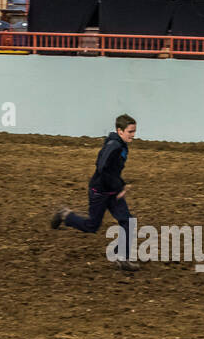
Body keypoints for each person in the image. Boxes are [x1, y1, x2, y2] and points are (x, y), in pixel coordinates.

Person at [50, 114, 140, 272]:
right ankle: (65, 215)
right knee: (92, 226)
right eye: (130, 131)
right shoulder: (114, 145)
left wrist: (120, 186)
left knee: (129, 222)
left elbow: (111, 169)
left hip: (113, 191)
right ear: (120, 131)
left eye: (134, 131)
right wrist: (119, 185)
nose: (133, 134)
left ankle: (122, 258)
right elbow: (102, 167)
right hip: (99, 192)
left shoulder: (121, 144)